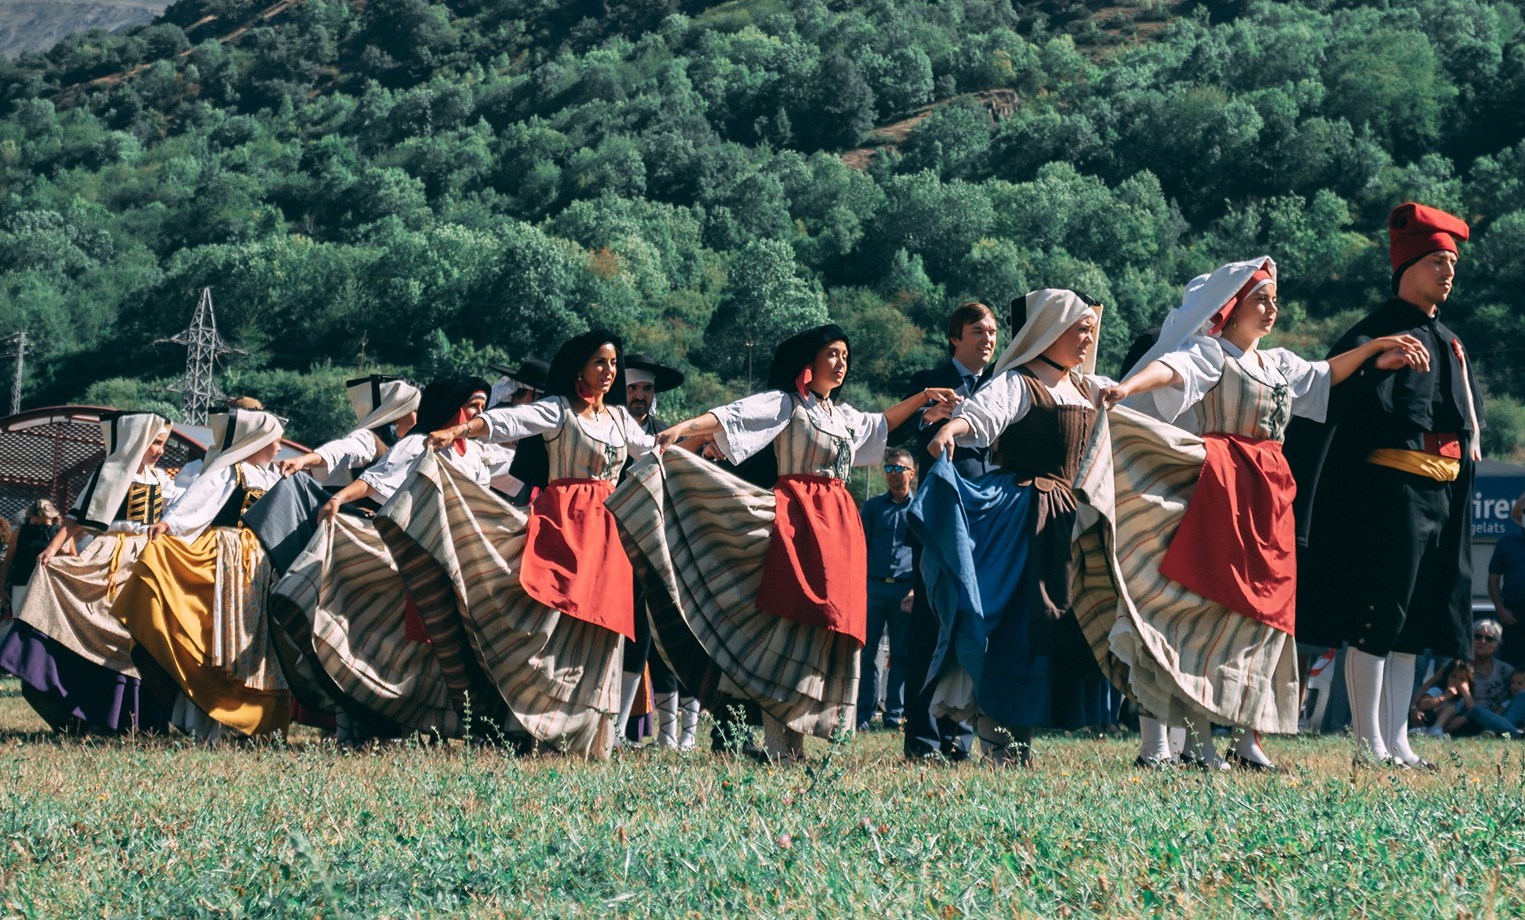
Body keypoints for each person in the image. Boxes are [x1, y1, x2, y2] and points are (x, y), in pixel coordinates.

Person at [1087, 258, 1428, 770]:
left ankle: (1249, 738)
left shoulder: (1278, 364)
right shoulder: (1210, 353)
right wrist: (1127, 388)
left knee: (1270, 617)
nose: (1271, 309)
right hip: (1221, 485)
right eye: (1261, 300)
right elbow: (1170, 368)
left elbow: (1325, 374)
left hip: (1270, 494)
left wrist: (1377, 347)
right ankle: (1192, 741)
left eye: (1274, 300)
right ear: (1231, 308)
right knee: (1208, 610)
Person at [610, 323, 960, 762]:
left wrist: (924, 398)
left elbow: (883, 425)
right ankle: (780, 745)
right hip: (798, 521)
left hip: (837, 529)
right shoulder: (787, 403)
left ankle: (792, 741)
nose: (841, 362)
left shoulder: (842, 415)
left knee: (821, 630)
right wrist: (682, 429)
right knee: (793, 623)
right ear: (808, 363)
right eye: (832, 353)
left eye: (845, 356)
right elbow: (734, 415)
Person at [1287, 202, 1485, 767]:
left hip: (1442, 492)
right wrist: (1378, 368)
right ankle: (1366, 742)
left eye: (1452, 263)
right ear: (1407, 266)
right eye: (1436, 261)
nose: (1448, 272)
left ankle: (1397, 740)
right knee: (1379, 615)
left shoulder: (1449, 340)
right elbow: (1328, 401)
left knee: (1414, 623)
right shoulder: (1372, 333)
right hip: (1389, 491)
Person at [396, 331, 655, 757]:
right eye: (599, 363)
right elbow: (508, 422)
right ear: (579, 368)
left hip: (609, 532)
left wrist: (697, 440)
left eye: (612, 364)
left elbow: (653, 449)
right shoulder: (558, 410)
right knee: (547, 626)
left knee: (602, 630)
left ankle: (588, 735)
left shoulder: (620, 420)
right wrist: (462, 428)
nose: (608, 372)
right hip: (564, 523)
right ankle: (528, 722)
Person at [912, 290, 1112, 767]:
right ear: (1051, 331)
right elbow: (981, 417)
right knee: (1013, 628)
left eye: (1089, 330)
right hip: (1021, 516)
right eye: (1079, 329)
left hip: (1067, 520)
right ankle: (1001, 747)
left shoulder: (1087, 388)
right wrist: (949, 431)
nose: (1088, 338)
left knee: (1054, 626)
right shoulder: (1019, 383)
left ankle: (1016, 744)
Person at [257, 377, 492, 742]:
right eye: (472, 406)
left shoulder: (474, 453)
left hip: (452, 553)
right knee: (372, 634)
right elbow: (369, 477)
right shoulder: (412, 442)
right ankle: (358, 721)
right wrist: (333, 495)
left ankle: (436, 722)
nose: (478, 414)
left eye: (482, 407)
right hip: (393, 545)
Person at [113, 407, 289, 741]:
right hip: (226, 555)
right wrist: (169, 525)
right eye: (275, 441)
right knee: (219, 635)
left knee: (251, 641)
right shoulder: (228, 470)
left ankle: (249, 720)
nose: (279, 447)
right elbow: (198, 505)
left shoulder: (271, 477)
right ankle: (211, 717)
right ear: (257, 440)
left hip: (258, 565)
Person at [0, 412, 180, 733]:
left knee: (138, 635)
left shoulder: (161, 479)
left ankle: (136, 721)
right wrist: (53, 550)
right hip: (111, 553)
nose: (160, 450)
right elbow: (77, 517)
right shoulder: (111, 472)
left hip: (148, 558)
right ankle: (87, 707)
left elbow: (182, 511)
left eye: (162, 443)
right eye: (155, 442)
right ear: (136, 440)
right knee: (102, 626)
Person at [898, 301, 998, 761]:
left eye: (993, 331)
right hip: (942, 522)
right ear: (955, 337)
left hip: (987, 521)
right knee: (931, 624)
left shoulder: (1002, 386)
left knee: (974, 624)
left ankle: (959, 736)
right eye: (978, 330)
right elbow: (907, 435)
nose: (988, 339)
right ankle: (922, 739)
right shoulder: (928, 383)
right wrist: (930, 416)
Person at [612, 352, 702, 751]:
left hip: (659, 546)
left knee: (666, 635)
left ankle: (675, 738)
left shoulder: (671, 436)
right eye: (633, 388)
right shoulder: (608, 431)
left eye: (647, 389)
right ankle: (614, 730)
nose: (640, 396)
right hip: (612, 543)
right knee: (625, 637)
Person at [856, 448, 917, 731]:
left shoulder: (919, 509)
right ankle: (863, 714)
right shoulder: (872, 508)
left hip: (905, 590)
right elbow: (859, 546)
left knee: (902, 654)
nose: (893, 475)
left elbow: (924, 553)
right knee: (867, 654)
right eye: (889, 469)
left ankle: (894, 715)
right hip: (873, 587)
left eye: (899, 469)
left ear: (911, 473)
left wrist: (916, 588)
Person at [276, 375, 421, 488]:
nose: (417, 417)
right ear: (396, 414)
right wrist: (303, 460)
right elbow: (341, 451)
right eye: (413, 411)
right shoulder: (369, 439)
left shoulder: (405, 446)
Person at [1, 499, 67, 617]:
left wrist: (64, 553)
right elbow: (8, 561)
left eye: (44, 524)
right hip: (22, 583)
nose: (39, 527)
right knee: (21, 619)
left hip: (49, 587)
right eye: (36, 523)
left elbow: (73, 560)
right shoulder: (20, 532)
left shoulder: (60, 533)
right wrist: (2, 586)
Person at [1488, 493, 1525, 667]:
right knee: (1510, 664)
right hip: (1513, 613)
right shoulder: (1506, 543)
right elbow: (1493, 579)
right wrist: (1500, 609)